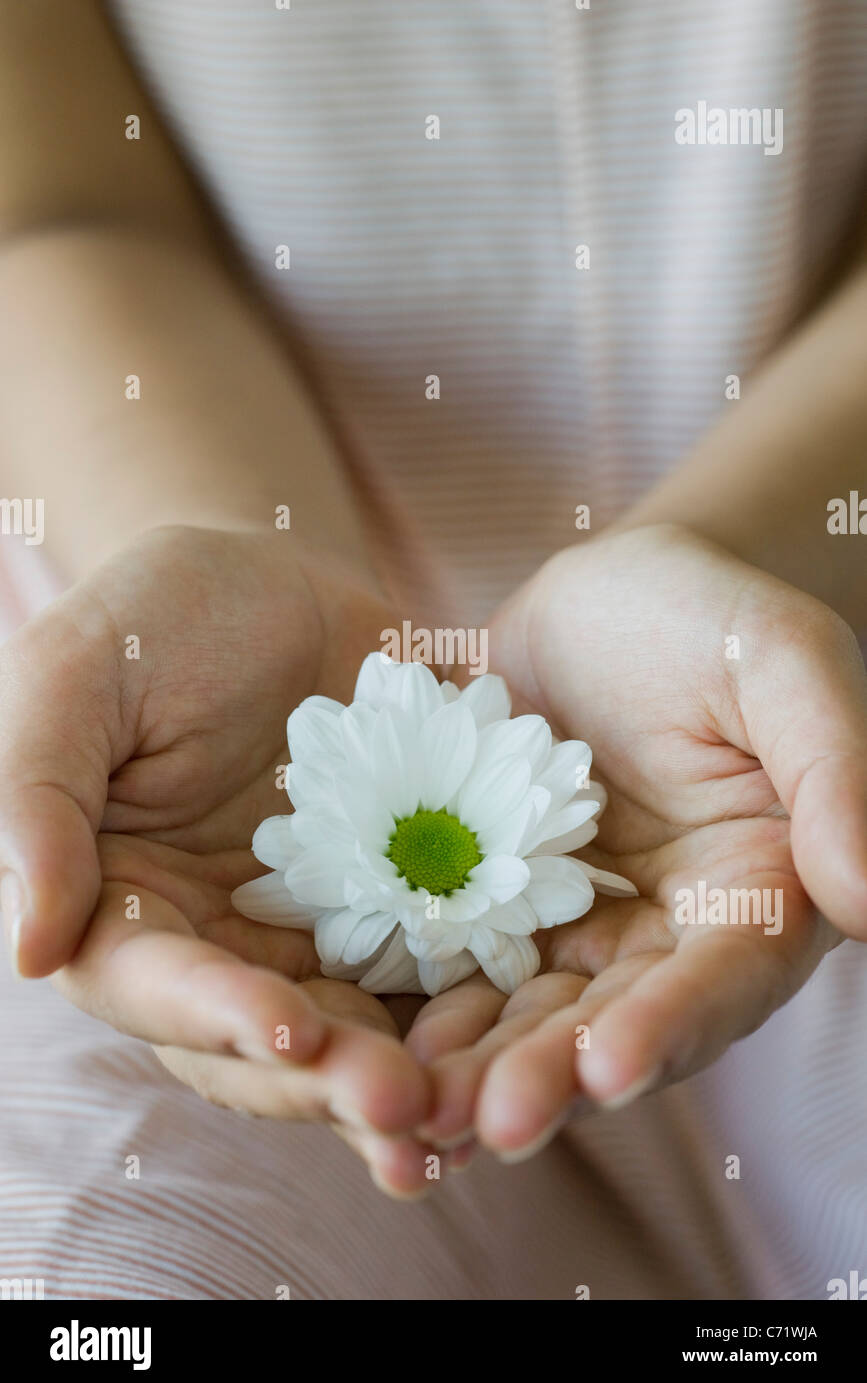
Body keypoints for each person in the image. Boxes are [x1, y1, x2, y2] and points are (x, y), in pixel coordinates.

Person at [0, 1, 865, 1299]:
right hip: (188, 727)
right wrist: (226, 539)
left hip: (816, 654)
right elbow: (58, 206)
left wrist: (741, 557)